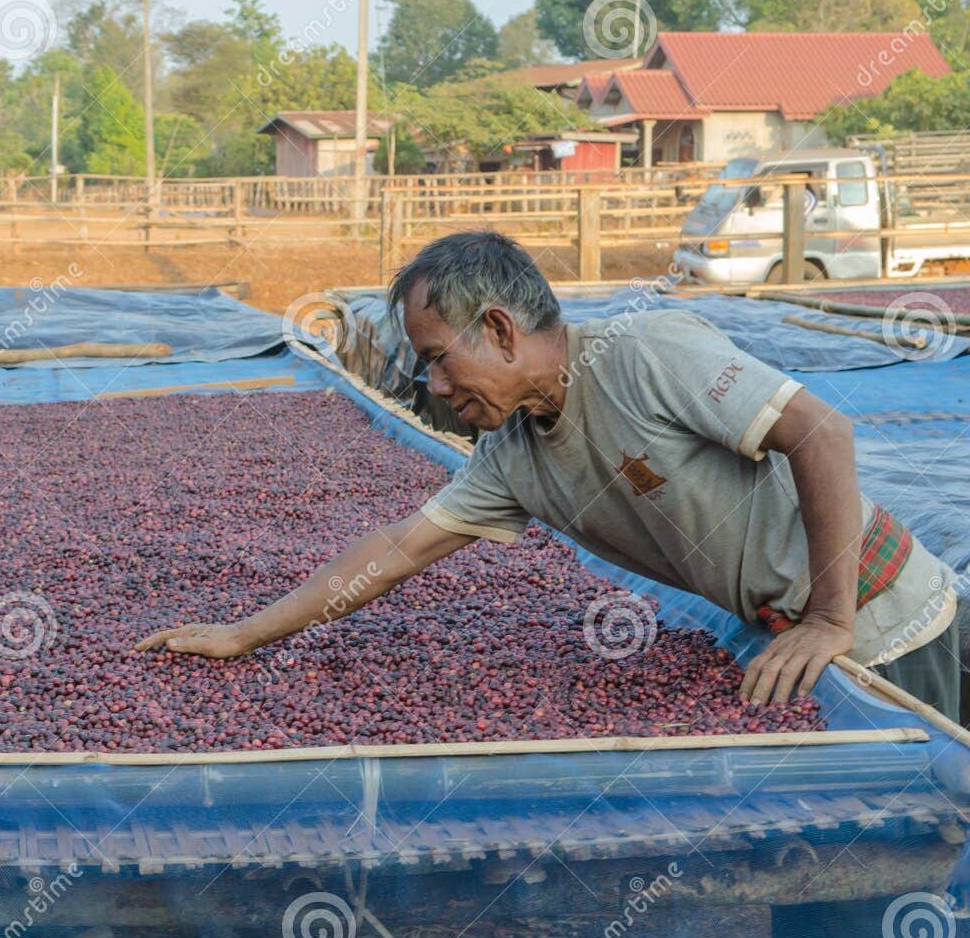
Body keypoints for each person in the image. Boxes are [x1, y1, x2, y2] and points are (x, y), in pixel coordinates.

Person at [136, 230, 960, 718]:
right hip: (797, 634)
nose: (436, 389)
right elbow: (398, 548)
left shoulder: (646, 355)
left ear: (498, 329)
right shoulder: (514, 456)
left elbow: (821, 432)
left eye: (437, 361)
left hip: (892, 617)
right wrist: (247, 634)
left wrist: (830, 616)